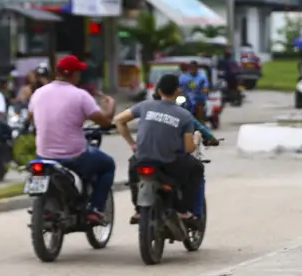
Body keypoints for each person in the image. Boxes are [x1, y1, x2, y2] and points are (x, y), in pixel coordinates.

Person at [115, 73, 218, 224]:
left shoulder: (144, 106)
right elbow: (189, 148)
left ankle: (138, 210)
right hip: (169, 163)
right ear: (178, 91)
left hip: (141, 159)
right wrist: (196, 140)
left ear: (158, 90)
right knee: (197, 169)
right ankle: (184, 211)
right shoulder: (184, 115)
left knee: (134, 173)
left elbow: (118, 120)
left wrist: (132, 144)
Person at [29, 55, 116, 225]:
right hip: (74, 156)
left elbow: (32, 118)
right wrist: (110, 106)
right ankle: (96, 209)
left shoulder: (38, 93)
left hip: (43, 155)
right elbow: (105, 122)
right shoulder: (80, 95)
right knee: (108, 165)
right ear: (74, 75)